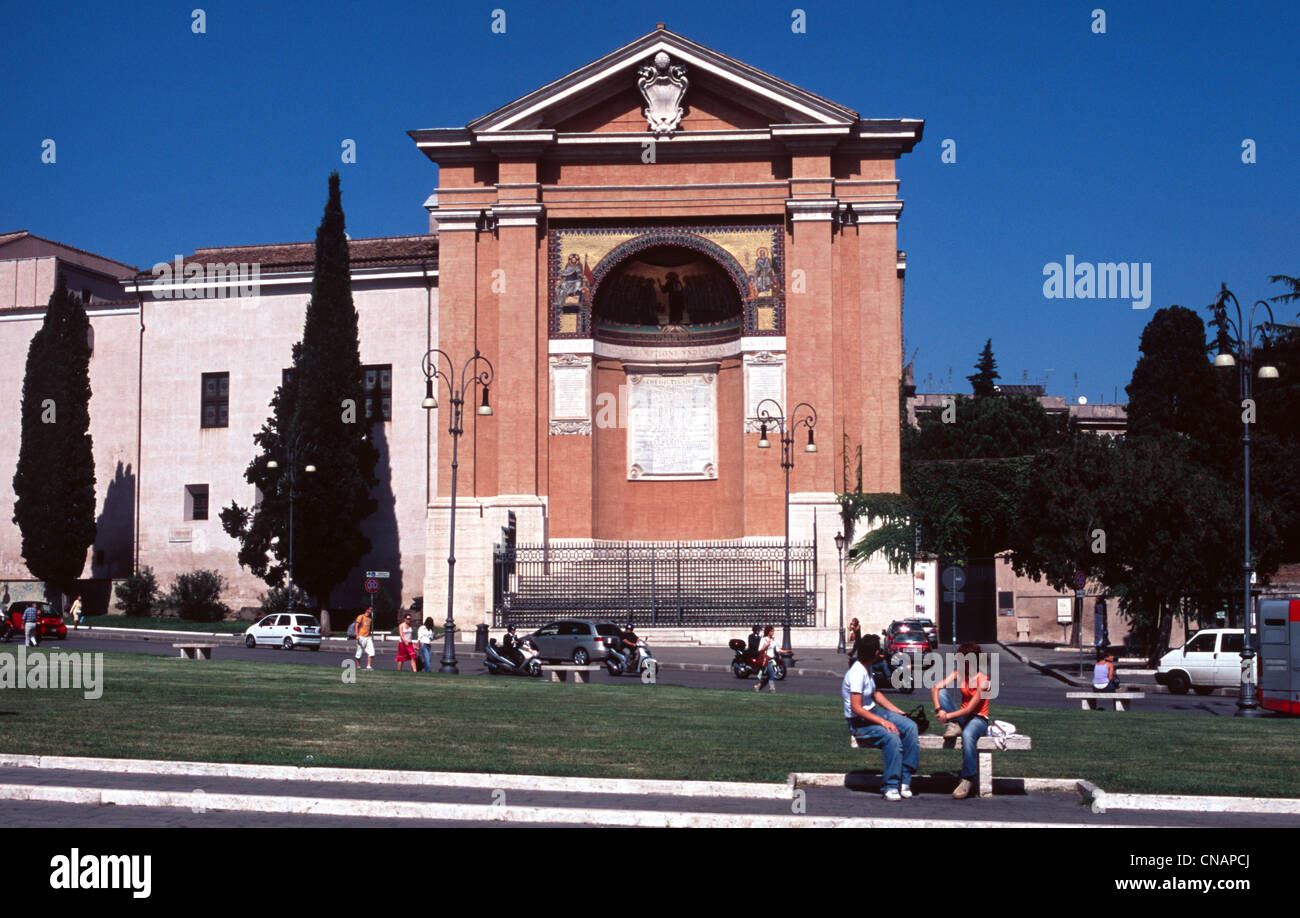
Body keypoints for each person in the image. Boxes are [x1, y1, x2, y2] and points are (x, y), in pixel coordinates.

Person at [843, 634, 919, 801]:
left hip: (874, 712)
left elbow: (875, 694)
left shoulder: (868, 668)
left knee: (910, 726)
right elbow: (856, 708)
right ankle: (891, 786)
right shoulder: (856, 673)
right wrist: (884, 722)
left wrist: (898, 711)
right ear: (876, 653)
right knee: (892, 736)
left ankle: (905, 780)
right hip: (859, 722)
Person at [931, 642, 992, 799]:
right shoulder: (959, 673)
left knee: (968, 735)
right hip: (963, 717)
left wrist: (947, 716)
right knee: (942, 693)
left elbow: (970, 709)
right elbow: (935, 688)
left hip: (978, 718)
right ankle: (955, 725)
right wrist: (939, 709)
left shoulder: (984, 680)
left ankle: (967, 778)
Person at [754, 625, 780, 693]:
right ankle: (772, 688)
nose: (773, 632)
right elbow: (760, 650)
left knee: (769, 676)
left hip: (772, 659)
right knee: (772, 674)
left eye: (773, 631)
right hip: (766, 659)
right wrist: (766, 645)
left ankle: (758, 686)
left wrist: (786, 651)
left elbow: (777, 649)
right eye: (772, 631)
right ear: (768, 632)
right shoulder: (764, 639)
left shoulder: (774, 639)